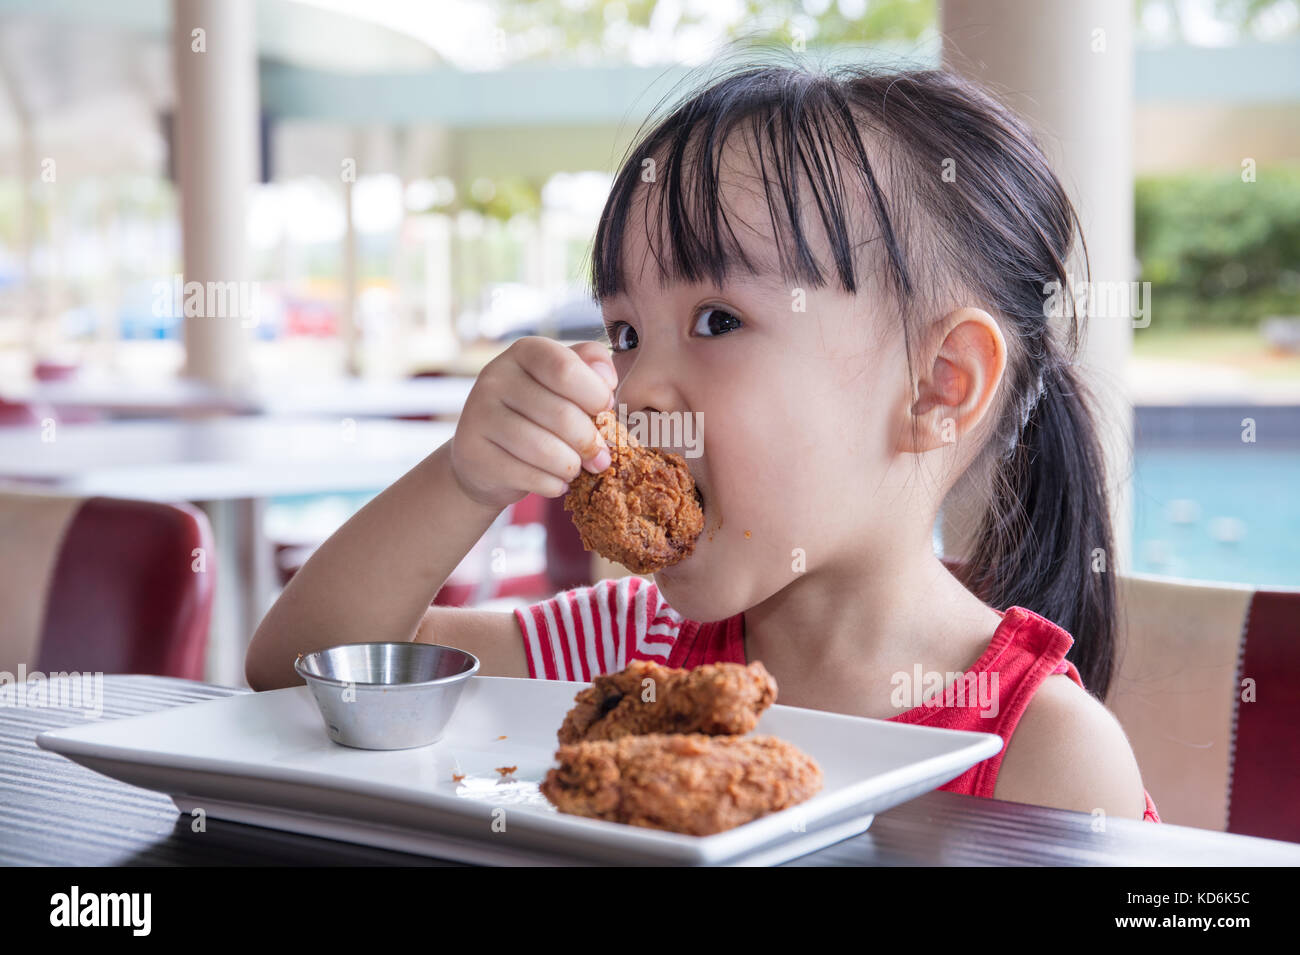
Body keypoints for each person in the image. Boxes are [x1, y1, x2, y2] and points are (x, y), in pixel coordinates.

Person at [246, 56, 1159, 822]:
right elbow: (305, 674)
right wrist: (463, 480)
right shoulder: (628, 650)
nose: (636, 388)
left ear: (939, 385)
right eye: (626, 333)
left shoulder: (1041, 750)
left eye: (718, 320)